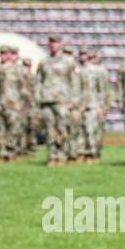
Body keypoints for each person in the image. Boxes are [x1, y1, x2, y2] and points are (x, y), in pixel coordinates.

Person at [37, 34, 81, 165]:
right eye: (51, 42)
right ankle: (52, 155)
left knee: (62, 128)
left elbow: (75, 81)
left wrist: (74, 100)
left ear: (60, 44)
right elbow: (39, 81)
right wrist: (38, 98)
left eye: (55, 42)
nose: (53, 44)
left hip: (63, 100)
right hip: (46, 99)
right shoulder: (44, 61)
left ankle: (62, 154)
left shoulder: (68, 61)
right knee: (50, 130)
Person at [0, 44, 33, 161]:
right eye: (2, 53)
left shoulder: (18, 69)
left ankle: (12, 151)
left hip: (14, 104)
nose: (5, 56)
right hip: (0, 103)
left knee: (13, 129)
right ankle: (2, 152)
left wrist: (25, 104)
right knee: (0, 129)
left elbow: (24, 88)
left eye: (8, 53)